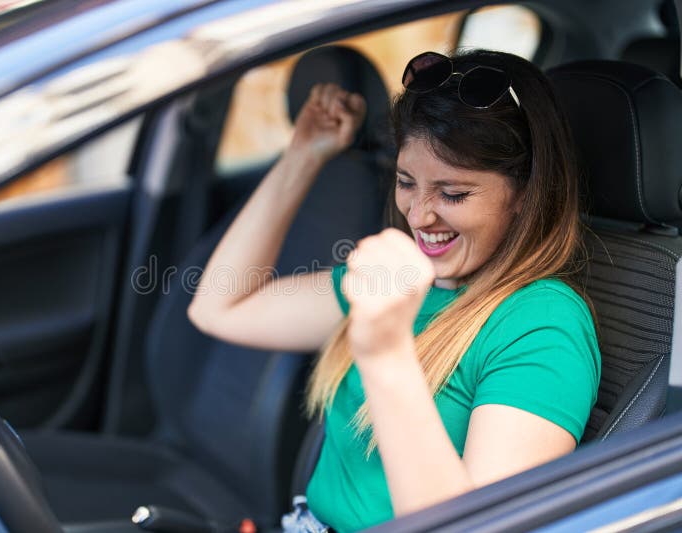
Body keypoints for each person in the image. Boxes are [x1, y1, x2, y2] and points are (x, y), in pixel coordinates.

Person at [187, 49, 601, 533]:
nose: (419, 215)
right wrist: (303, 155)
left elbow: (478, 527)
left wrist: (386, 351)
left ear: (526, 194)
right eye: (407, 182)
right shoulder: (401, 280)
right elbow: (220, 306)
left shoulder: (541, 324)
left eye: (453, 194)